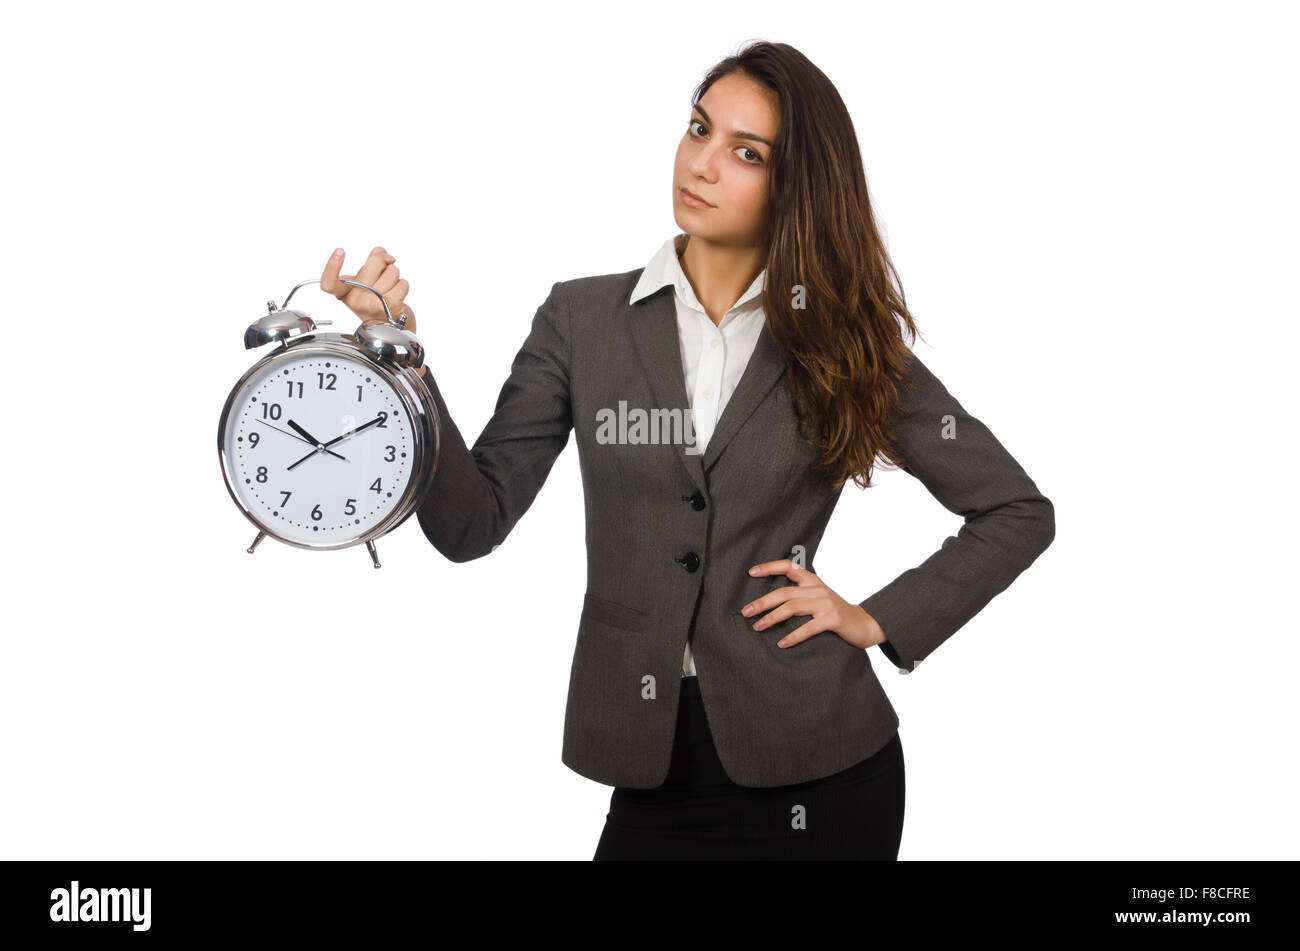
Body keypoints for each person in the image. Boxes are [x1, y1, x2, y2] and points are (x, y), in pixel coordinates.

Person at [320, 40, 1055, 860]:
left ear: (794, 185)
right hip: (650, 766)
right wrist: (401, 364)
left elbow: (1016, 509)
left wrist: (878, 617)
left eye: (746, 153)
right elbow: (470, 522)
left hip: (825, 770)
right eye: (698, 128)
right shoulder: (580, 321)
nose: (702, 164)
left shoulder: (842, 339)